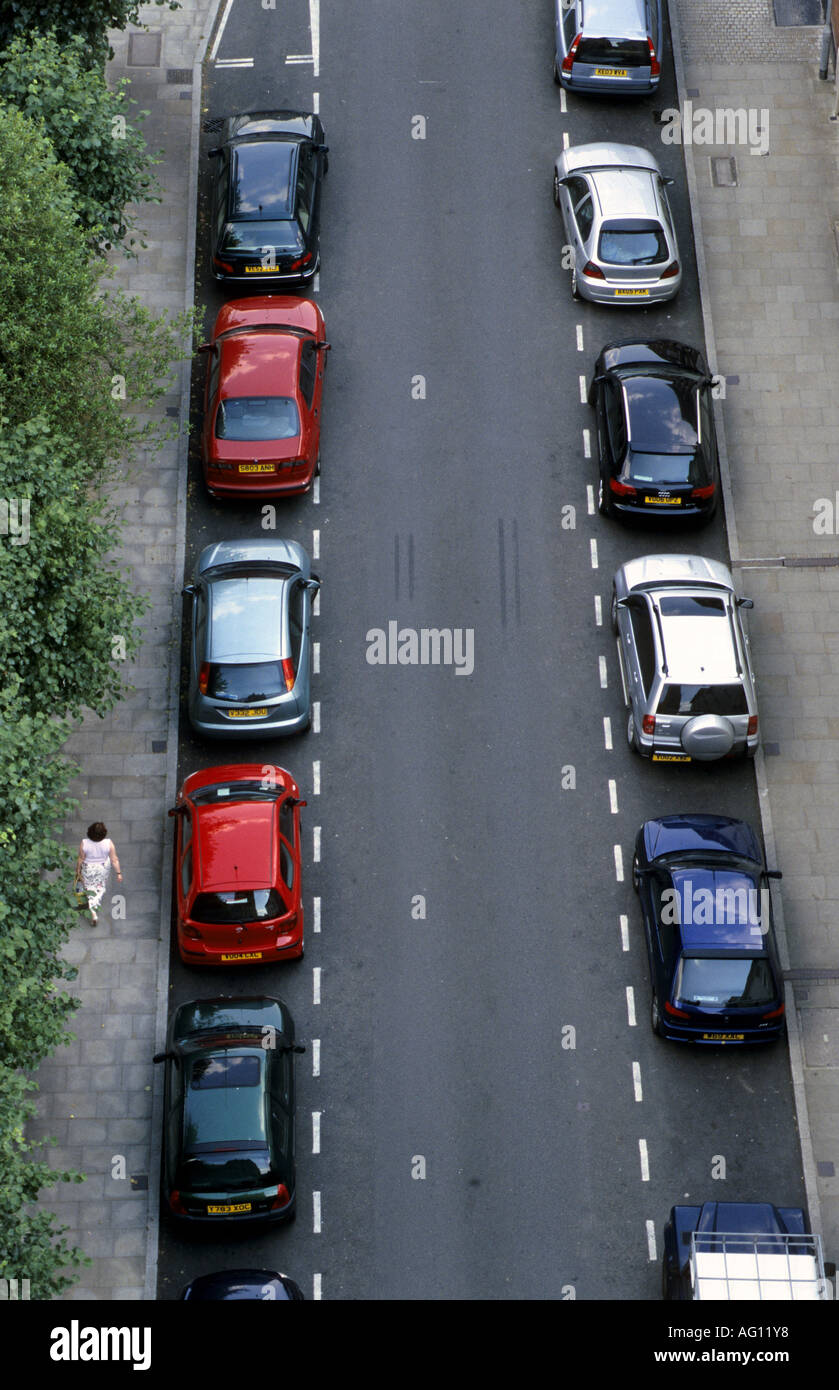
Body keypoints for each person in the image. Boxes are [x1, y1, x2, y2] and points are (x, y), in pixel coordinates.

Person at [75, 822, 122, 926]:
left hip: (89, 868)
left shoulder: (84, 843)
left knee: (89, 886)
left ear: (89, 832)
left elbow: (81, 858)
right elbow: (114, 859)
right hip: (102, 868)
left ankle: (92, 910)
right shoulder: (108, 843)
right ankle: (95, 904)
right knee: (99, 886)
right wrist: (118, 873)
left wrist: (77, 870)